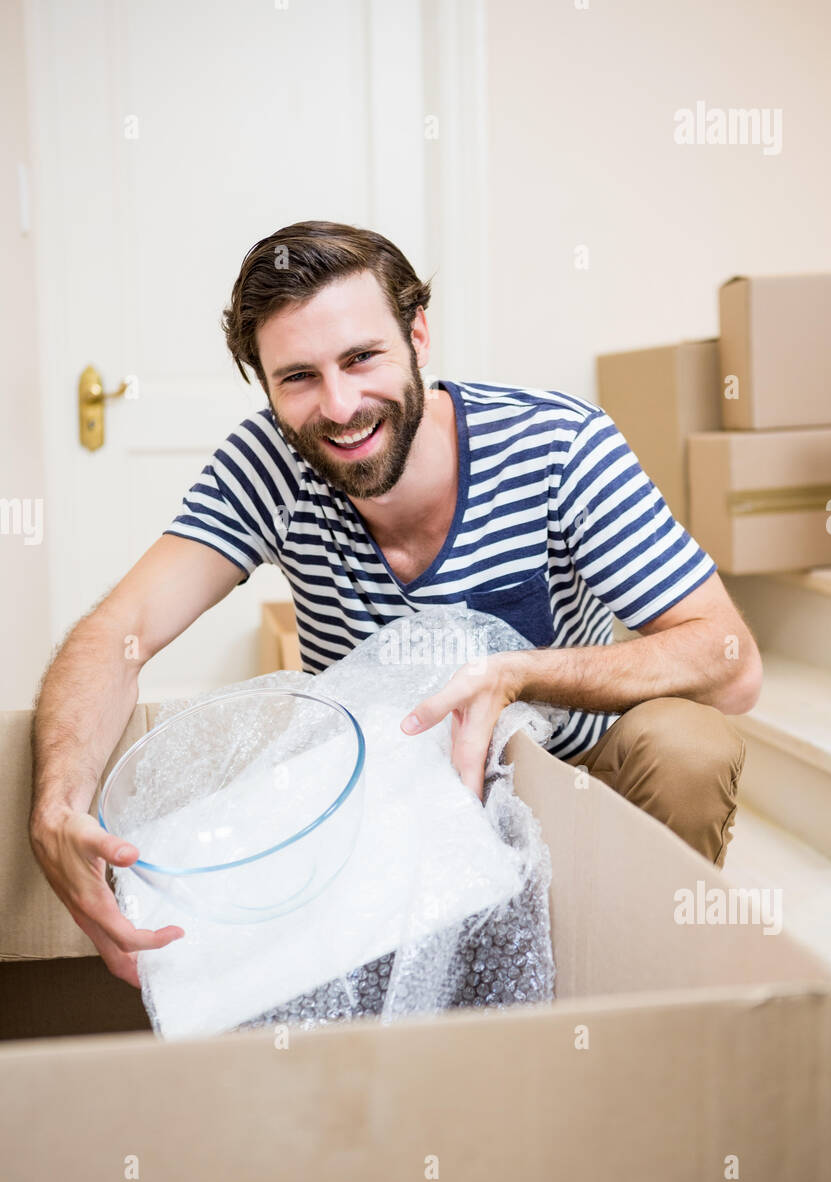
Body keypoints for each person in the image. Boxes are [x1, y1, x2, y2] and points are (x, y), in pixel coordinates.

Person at [29, 220, 761, 987]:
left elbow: (729, 661)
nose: (340, 407)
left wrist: (517, 672)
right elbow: (120, 630)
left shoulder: (556, 444)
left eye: (361, 358)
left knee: (689, 750)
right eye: (298, 377)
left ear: (418, 334)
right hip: (391, 802)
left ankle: (644, 1003)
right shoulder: (268, 465)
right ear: (266, 386)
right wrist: (58, 804)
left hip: (569, 775)